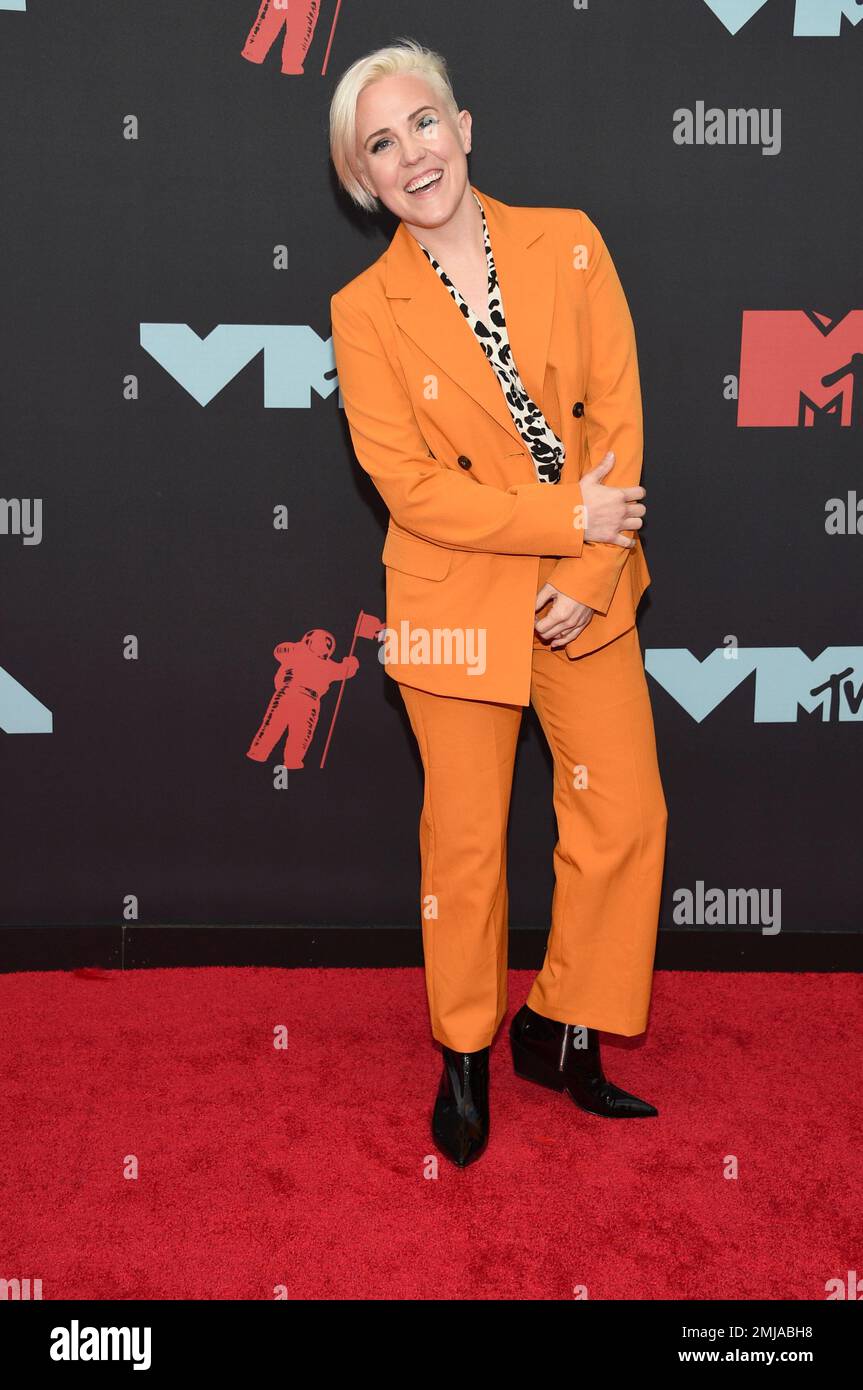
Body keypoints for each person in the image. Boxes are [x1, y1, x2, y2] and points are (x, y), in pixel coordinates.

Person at [328, 38, 668, 1167]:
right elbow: (412, 490)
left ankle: (561, 1024)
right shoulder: (362, 310)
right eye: (380, 144)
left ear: (463, 127)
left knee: (622, 816)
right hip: (453, 597)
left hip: (587, 584)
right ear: (363, 179)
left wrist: (588, 570)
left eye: (422, 123)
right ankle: (464, 1052)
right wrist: (567, 521)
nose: (411, 154)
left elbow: (616, 415)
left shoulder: (568, 241)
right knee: (467, 844)